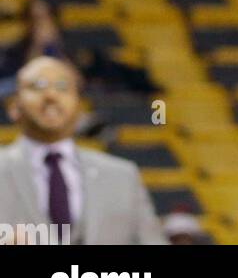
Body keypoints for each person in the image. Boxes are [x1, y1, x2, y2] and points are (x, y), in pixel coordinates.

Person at [0, 57, 165, 245]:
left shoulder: (123, 176)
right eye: (38, 86)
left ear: (79, 104)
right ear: (14, 107)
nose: (51, 95)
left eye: (63, 87)